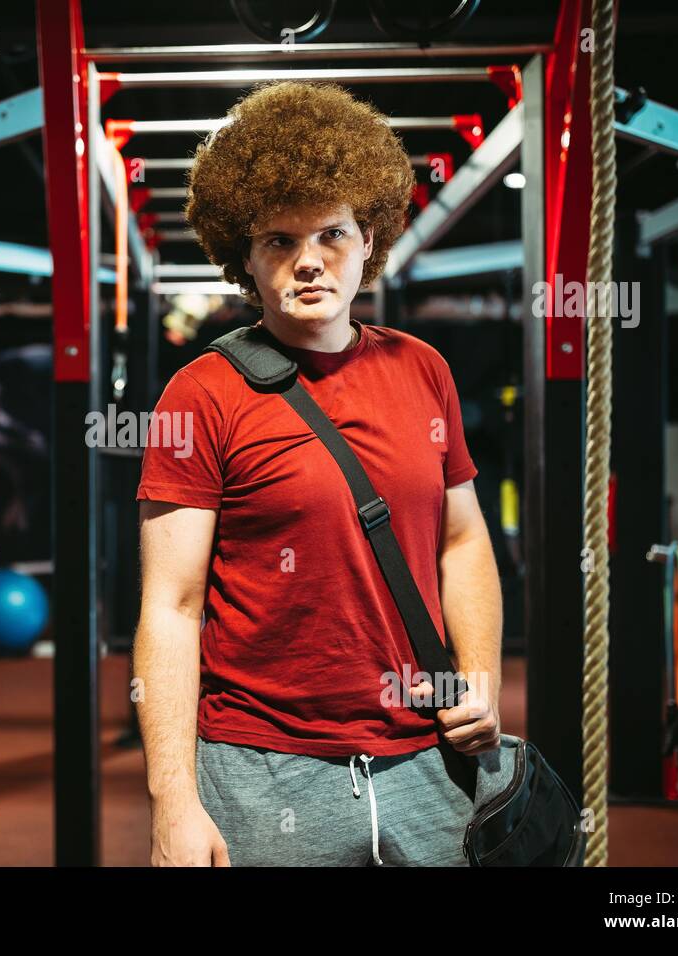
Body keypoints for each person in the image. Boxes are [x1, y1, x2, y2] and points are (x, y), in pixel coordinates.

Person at [133, 81, 502, 867]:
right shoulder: (198, 394)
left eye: (332, 233)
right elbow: (171, 605)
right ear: (244, 255)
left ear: (369, 236)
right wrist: (174, 799)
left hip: (428, 763)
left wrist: (479, 677)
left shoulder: (425, 370)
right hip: (262, 771)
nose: (308, 262)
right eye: (278, 241)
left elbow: (463, 541)